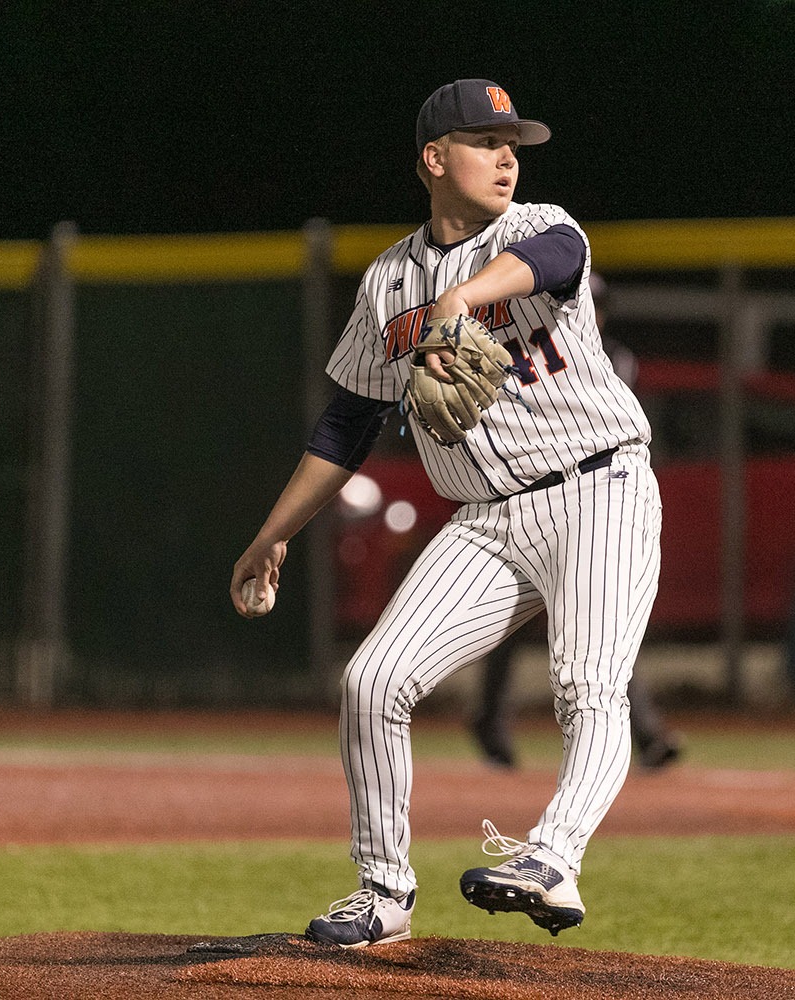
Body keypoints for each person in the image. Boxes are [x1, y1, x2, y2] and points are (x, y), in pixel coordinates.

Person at [230, 79, 662, 947]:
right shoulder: (388, 282)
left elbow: (556, 266)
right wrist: (271, 535)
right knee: (371, 681)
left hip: (598, 489)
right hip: (484, 522)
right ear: (434, 160)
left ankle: (554, 856)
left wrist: (461, 302)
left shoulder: (539, 225)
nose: (507, 156)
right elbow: (346, 425)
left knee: (586, 684)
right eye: (484, 141)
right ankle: (383, 890)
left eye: (514, 144)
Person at [468, 276, 679, 771]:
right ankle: (489, 717)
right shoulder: (521, 347)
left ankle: (643, 733)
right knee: (514, 622)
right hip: (526, 496)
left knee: (601, 623)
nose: (594, 312)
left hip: (593, 497)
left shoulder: (611, 356)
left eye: (600, 305)